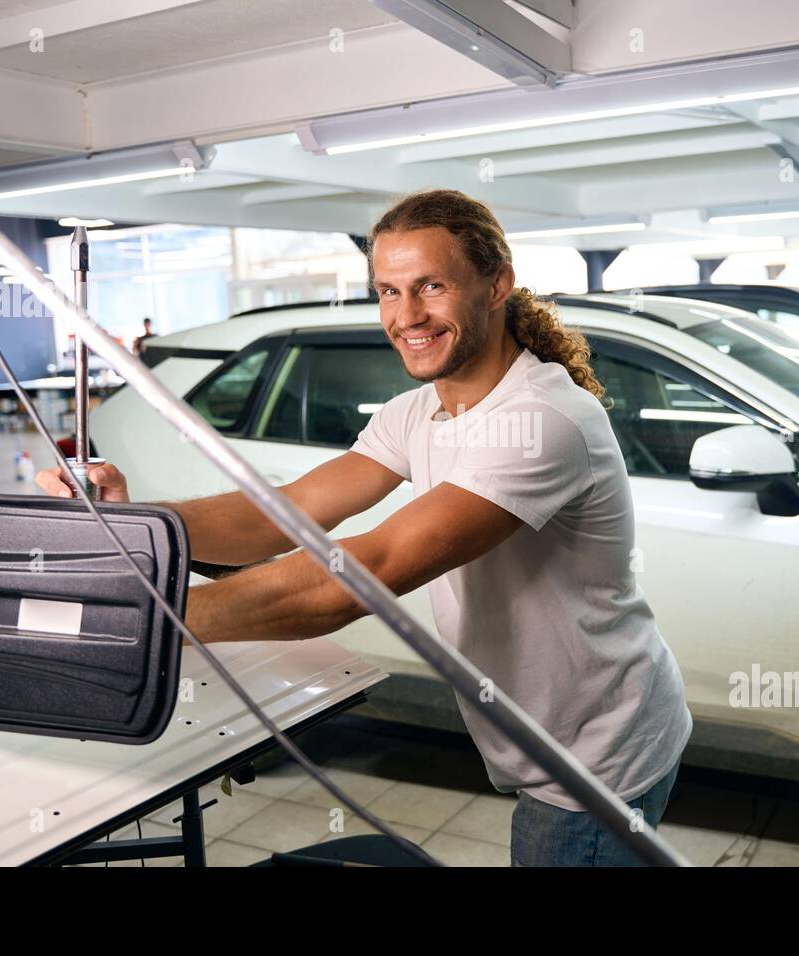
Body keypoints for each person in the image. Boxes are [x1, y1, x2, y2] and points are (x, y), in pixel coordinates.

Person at [37, 189, 691, 866]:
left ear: (497, 285)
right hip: (554, 738)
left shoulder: (541, 422)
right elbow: (281, 510)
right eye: (387, 290)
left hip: (596, 758)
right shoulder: (417, 413)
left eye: (431, 286)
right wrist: (137, 523)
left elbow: (362, 573)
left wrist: (142, 620)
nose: (406, 316)